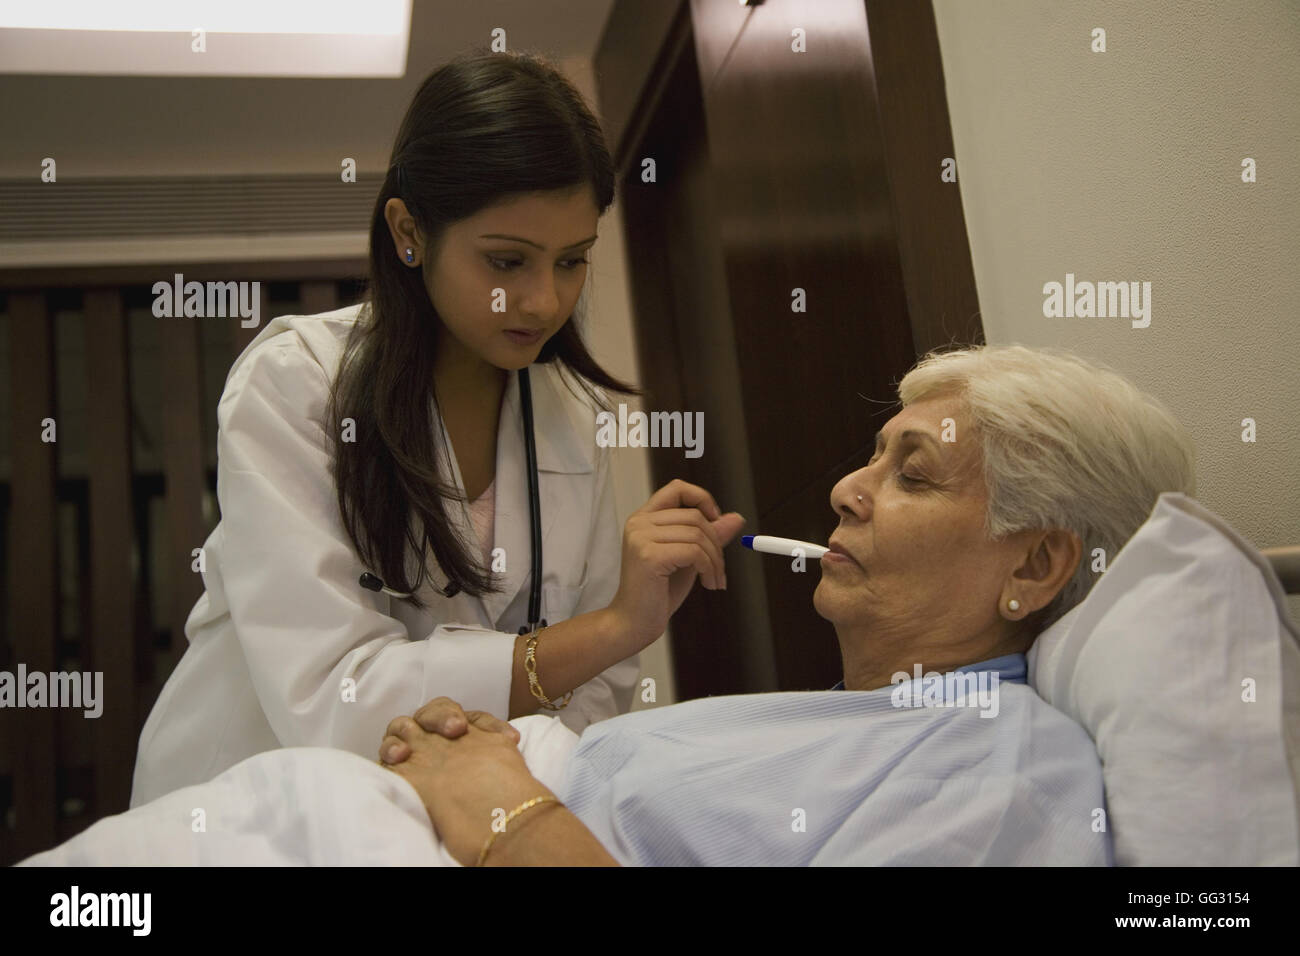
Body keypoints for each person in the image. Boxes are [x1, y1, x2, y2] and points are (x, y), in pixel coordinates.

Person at [30, 344, 1194, 865]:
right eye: (872, 454)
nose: (849, 484)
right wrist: (488, 747)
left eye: (912, 470)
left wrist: (501, 812)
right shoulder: (853, 730)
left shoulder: (1009, 773)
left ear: (1034, 569)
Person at [130, 50, 745, 807]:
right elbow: (336, 695)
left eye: (572, 261)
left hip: (457, 819)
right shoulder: (296, 383)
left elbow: (588, 696)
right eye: (507, 261)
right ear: (408, 231)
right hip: (249, 810)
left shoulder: (570, 417)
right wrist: (616, 625)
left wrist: (598, 653)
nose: (544, 302)